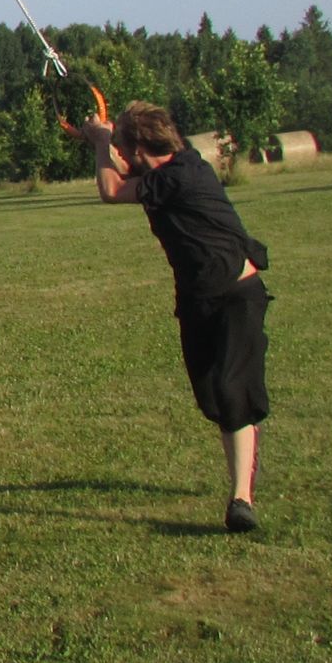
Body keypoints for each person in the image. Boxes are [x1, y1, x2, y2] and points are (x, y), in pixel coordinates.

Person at [83, 101, 272, 533]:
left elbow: (111, 189)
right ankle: (238, 480)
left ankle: (241, 499)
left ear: (136, 147)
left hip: (237, 295)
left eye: (123, 147)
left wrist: (100, 144)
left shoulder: (183, 173)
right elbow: (128, 177)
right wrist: (104, 139)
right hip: (196, 298)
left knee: (230, 390)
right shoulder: (163, 174)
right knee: (212, 395)